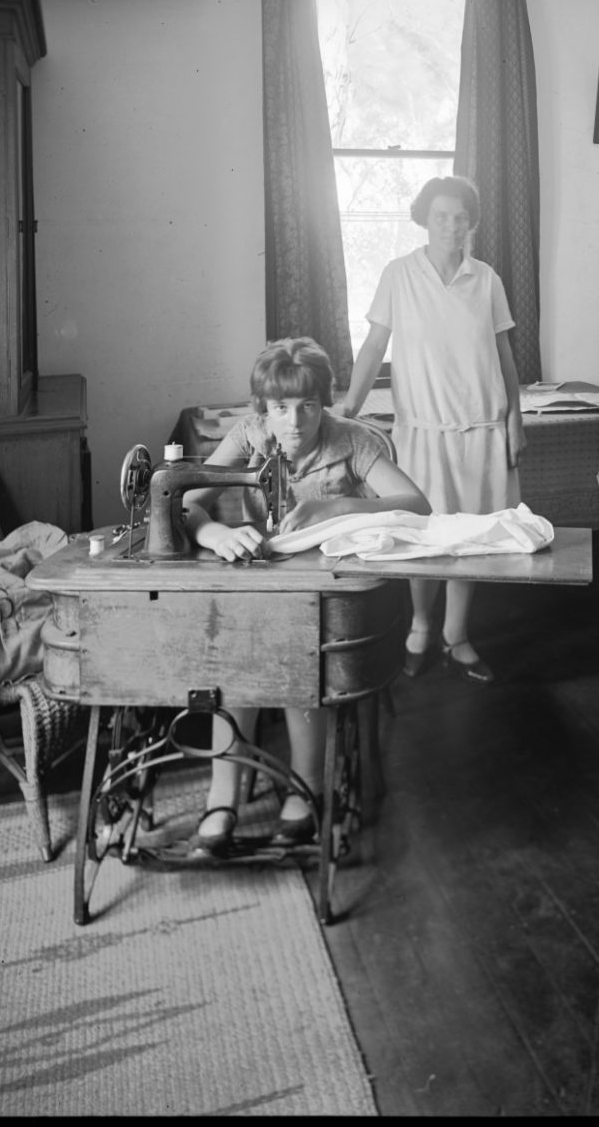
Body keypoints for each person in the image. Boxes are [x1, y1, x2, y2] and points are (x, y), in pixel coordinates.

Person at [179, 337, 432, 854]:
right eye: (280, 408)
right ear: (262, 408)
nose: (294, 423)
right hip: (268, 588)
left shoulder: (353, 441)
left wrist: (335, 508)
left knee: (298, 657)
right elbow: (184, 504)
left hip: (337, 596)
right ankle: (223, 793)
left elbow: (417, 505)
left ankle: (307, 786)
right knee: (230, 659)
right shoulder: (250, 435)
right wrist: (216, 534)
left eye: (308, 406)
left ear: (324, 402)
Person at [338, 174, 525, 685]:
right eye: (441, 216)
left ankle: (457, 635)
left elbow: (504, 354)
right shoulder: (399, 274)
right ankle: (419, 629)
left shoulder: (486, 279)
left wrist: (514, 419)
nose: (451, 225)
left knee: (471, 537)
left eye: (461, 217)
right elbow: (374, 346)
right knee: (424, 536)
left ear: (471, 223)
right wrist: (349, 407)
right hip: (421, 431)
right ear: (424, 219)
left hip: (482, 430)